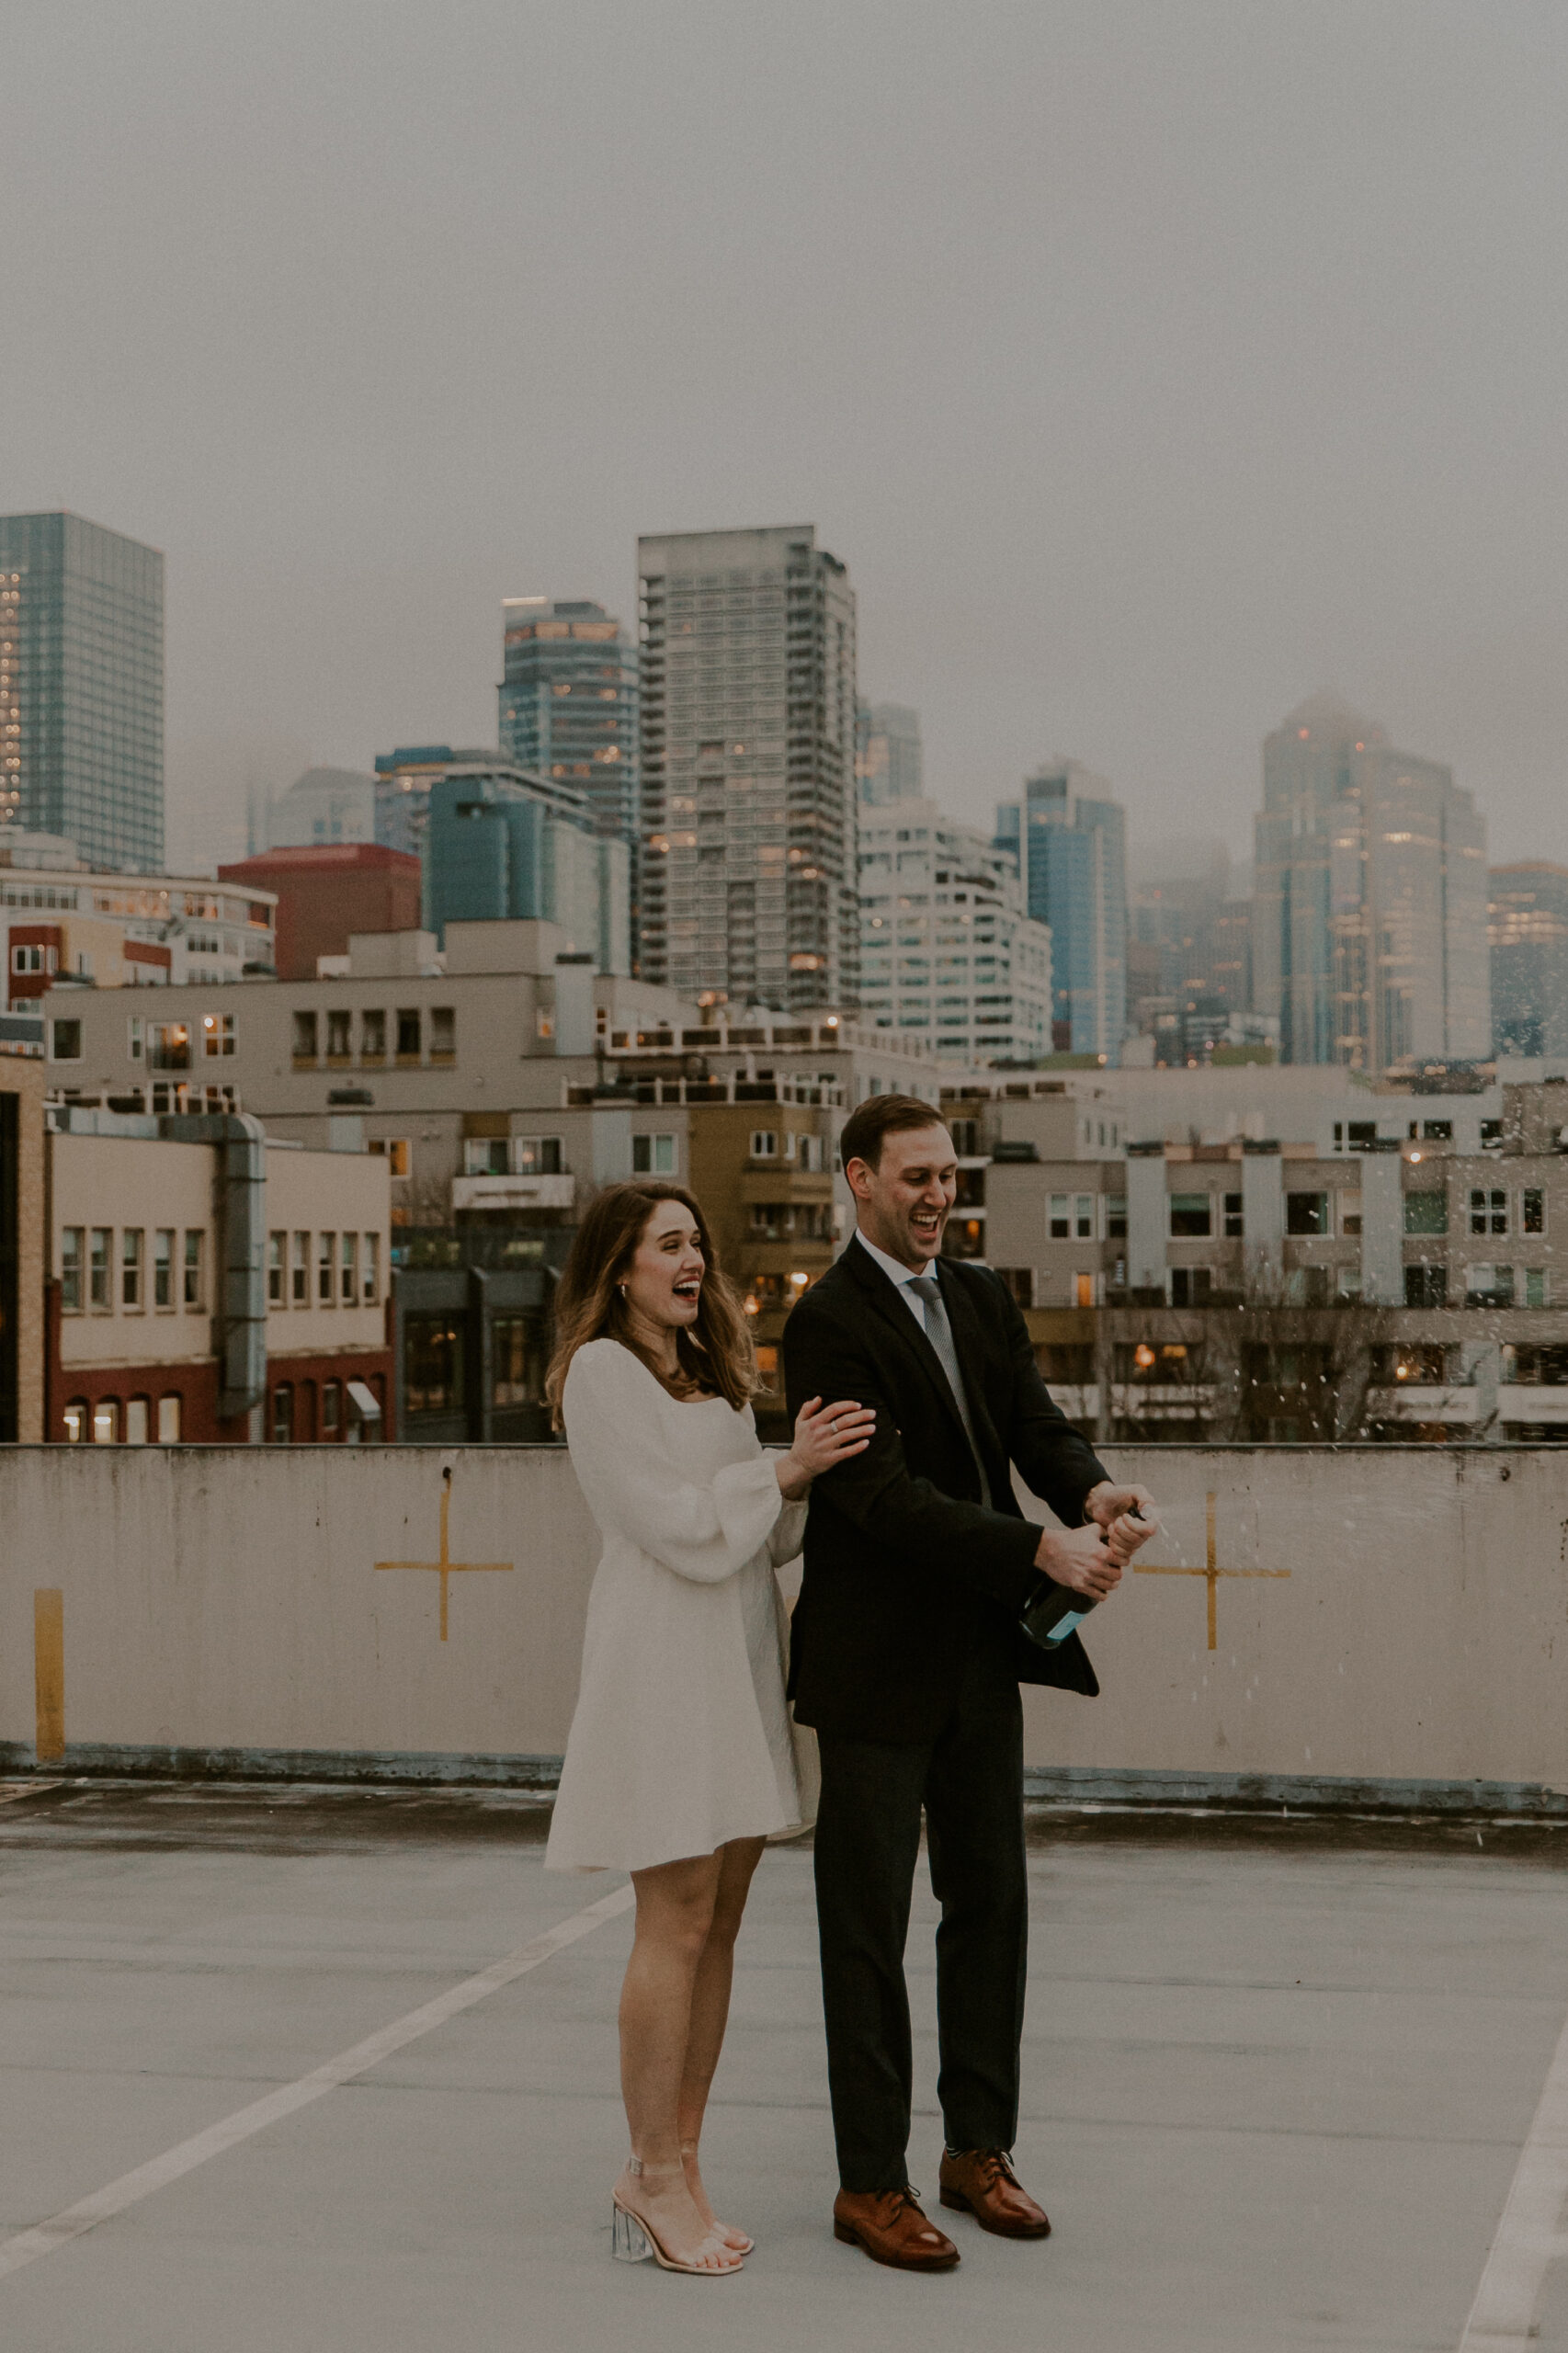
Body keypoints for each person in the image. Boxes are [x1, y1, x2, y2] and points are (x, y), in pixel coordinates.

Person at [781, 1096, 1157, 2274]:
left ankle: (975, 2152)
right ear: (856, 1180)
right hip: (873, 1672)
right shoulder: (822, 1325)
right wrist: (1034, 1551)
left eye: (949, 1175)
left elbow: (1031, 1428)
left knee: (990, 1908)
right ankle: (868, 2183)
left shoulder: (984, 1297)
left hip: (982, 1662)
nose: (939, 1197)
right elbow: (882, 1498)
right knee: (867, 1929)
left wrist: (1088, 1493)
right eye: (914, 1178)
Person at [544, 1179, 874, 2279]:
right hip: (661, 1671)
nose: (692, 1261)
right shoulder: (599, 1375)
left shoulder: (714, 1377)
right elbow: (678, 1526)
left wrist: (819, 1476)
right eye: (668, 1244)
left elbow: (756, 1538)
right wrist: (783, 1471)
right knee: (672, 1920)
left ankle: (681, 2163)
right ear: (618, 1267)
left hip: (734, 1664)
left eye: (698, 1243)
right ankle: (646, 2173)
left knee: (720, 1921)